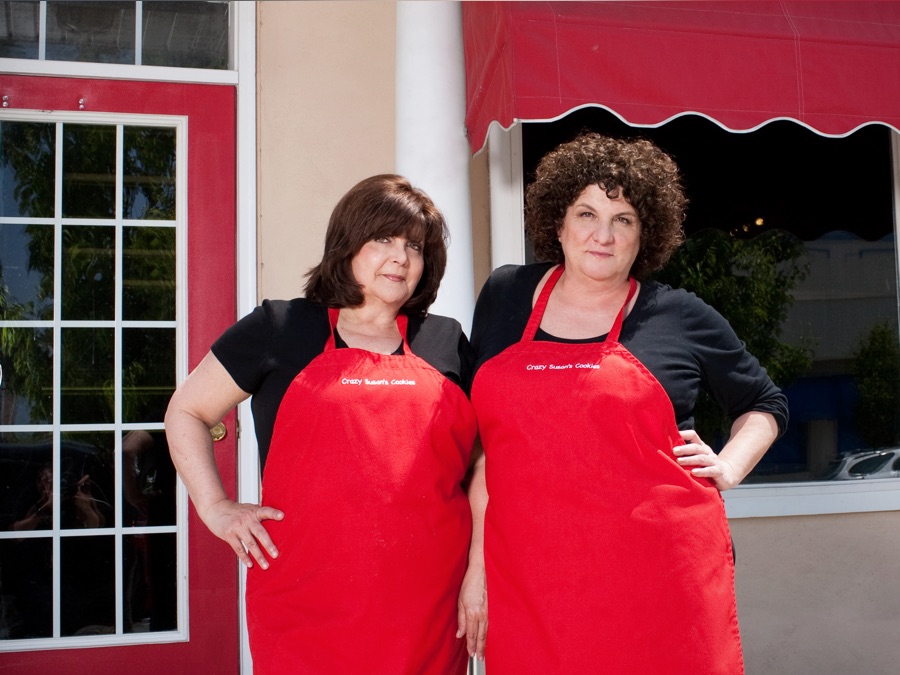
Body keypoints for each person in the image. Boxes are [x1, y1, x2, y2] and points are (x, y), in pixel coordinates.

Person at [460, 133, 789, 673]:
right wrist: (477, 568)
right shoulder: (505, 296)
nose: (603, 236)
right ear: (558, 223)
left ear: (646, 235)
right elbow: (484, 450)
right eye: (587, 213)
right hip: (531, 582)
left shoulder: (677, 315)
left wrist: (728, 466)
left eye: (625, 220)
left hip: (659, 578)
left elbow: (763, 401)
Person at [165, 175, 477, 674]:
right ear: (348, 242)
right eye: (383, 239)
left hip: (429, 604)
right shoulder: (281, 327)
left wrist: (477, 572)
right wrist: (215, 507)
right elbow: (186, 411)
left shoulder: (444, 339)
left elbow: (479, 462)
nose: (400, 257)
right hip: (305, 600)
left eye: (414, 246)